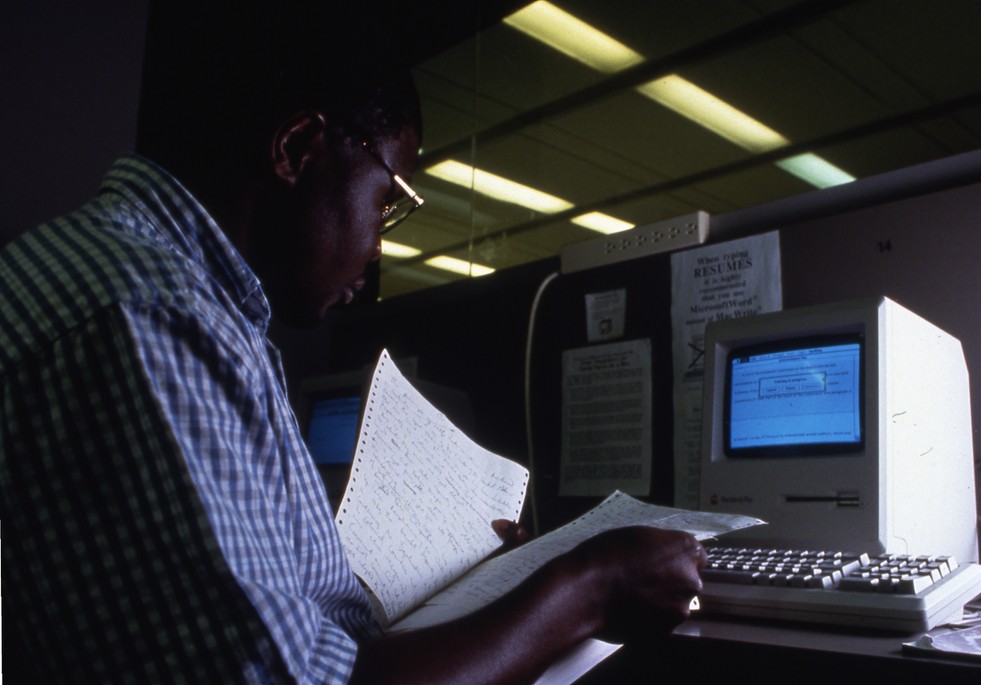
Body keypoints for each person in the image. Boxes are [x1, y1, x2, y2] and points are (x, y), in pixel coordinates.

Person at [0, 4, 706, 682]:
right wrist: (587, 586)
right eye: (387, 200)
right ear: (296, 148)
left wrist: (489, 590)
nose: (375, 250)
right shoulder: (153, 318)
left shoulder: (139, 285)